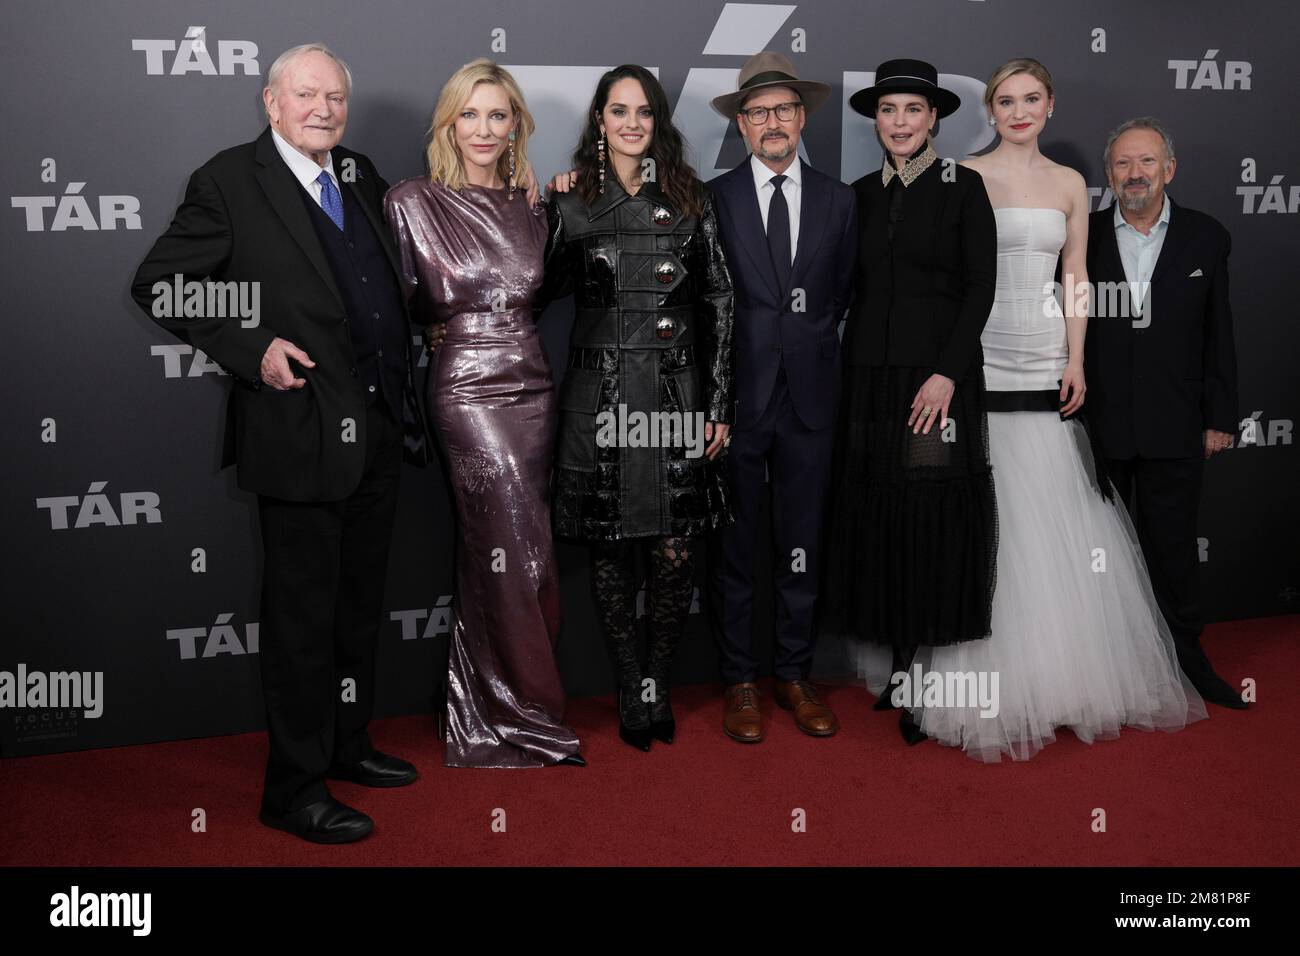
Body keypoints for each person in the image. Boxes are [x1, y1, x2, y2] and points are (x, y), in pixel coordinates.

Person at [131, 44, 426, 843]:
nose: (323, 109)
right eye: (306, 95)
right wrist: (248, 344)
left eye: (335, 96)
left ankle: (346, 743)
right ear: (271, 102)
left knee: (357, 610)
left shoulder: (357, 171)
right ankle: (293, 791)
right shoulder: (228, 180)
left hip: (376, 429)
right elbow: (161, 281)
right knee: (300, 623)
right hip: (297, 432)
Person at [908, 60, 1208, 762]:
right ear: (990, 110)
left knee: (1057, 512)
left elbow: (1075, 276)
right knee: (990, 512)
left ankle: (1067, 680)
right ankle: (989, 684)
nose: (1019, 111)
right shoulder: (961, 175)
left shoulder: (1071, 184)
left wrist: (1075, 358)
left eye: (1031, 98)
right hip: (978, 354)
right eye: (1005, 100)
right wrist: (950, 362)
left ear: (1050, 105)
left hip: (1044, 355)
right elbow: (948, 280)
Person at [386, 60, 584, 769]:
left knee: (515, 546)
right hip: (466, 392)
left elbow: (549, 284)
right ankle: (519, 712)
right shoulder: (411, 201)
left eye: (498, 115)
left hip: (533, 384)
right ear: (448, 122)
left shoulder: (532, 206)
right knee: (512, 545)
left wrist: (558, 198)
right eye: (469, 114)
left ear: (515, 126)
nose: (483, 128)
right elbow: (392, 302)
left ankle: (495, 708)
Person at [542, 65, 735, 750]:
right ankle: (630, 684)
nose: (631, 123)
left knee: (676, 554)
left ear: (659, 122)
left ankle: (657, 678)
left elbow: (718, 299)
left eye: (644, 112)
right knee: (612, 552)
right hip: (601, 399)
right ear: (599, 121)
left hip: (678, 395)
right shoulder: (568, 204)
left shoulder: (689, 198)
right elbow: (533, 295)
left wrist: (715, 404)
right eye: (618, 111)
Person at [821, 59, 998, 744]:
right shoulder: (858, 194)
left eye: (913, 110)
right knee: (882, 512)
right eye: (888, 110)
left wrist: (947, 374)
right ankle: (895, 661)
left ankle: (922, 672)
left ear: (935, 120)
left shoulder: (964, 187)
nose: (899, 122)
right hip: (869, 380)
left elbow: (981, 288)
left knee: (925, 510)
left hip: (934, 389)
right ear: (876, 120)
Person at [705, 52, 855, 743]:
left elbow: (845, 296)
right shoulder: (715, 197)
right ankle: (739, 679)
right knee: (737, 547)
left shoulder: (840, 199)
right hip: (736, 401)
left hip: (813, 402)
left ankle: (794, 674)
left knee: (803, 544)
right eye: (758, 111)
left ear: (802, 118)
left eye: (784, 109)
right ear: (741, 124)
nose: (772, 122)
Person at [1085, 116, 1247, 710]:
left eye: (1147, 162)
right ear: (1109, 174)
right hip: (1095, 426)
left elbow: (1218, 332)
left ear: (1169, 170)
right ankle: (1107, 667)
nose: (1135, 174)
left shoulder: (1207, 236)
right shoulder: (1086, 235)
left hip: (1176, 422)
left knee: (1173, 548)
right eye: (1124, 164)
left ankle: (1188, 660)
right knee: (1097, 555)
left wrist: (1219, 416)